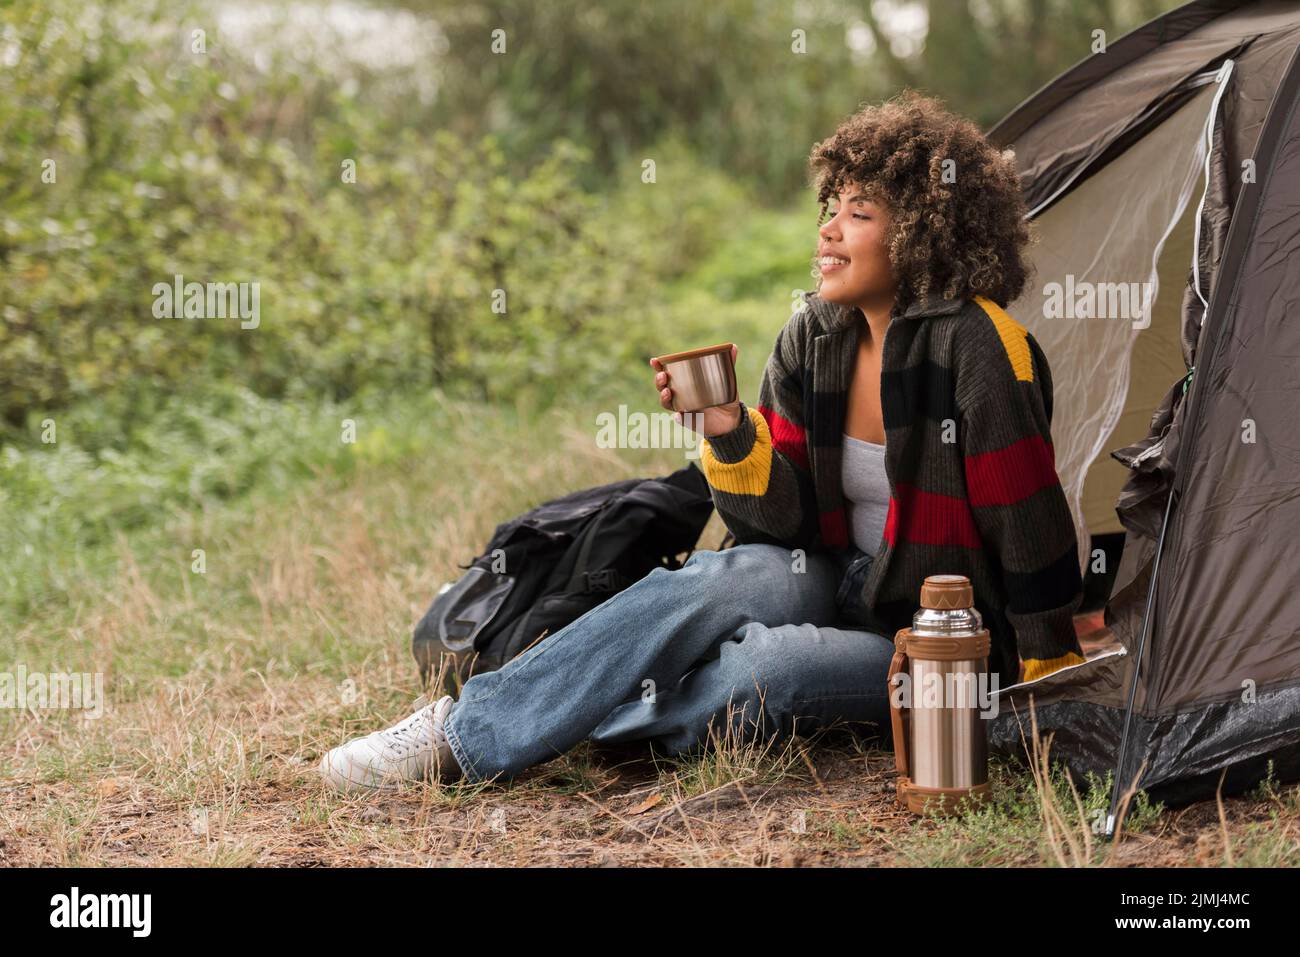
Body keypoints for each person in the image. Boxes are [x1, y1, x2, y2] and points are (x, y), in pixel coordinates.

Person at [319, 91, 1087, 793]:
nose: (827, 227)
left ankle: (567, 720)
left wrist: (1045, 675)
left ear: (926, 228)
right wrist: (728, 436)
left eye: (859, 211)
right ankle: (464, 731)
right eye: (830, 205)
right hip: (827, 575)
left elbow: (1026, 517)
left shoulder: (981, 347)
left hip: (937, 640)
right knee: (718, 582)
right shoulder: (810, 337)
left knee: (767, 666)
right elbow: (775, 528)